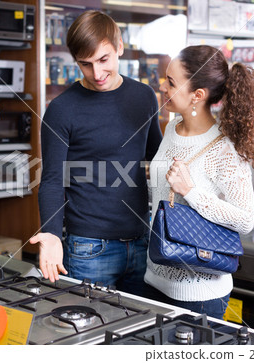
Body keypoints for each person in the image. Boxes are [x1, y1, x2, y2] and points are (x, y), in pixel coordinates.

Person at [30, 10, 162, 296]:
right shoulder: (62, 109)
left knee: (139, 335)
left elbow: (158, 158)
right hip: (89, 250)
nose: (97, 74)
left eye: (104, 60)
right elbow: (52, 179)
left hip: (142, 242)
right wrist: (52, 234)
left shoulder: (143, 96)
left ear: (120, 47)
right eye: (85, 64)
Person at [145, 45, 254, 319]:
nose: (163, 88)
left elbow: (245, 220)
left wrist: (190, 191)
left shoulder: (225, 149)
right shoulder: (171, 127)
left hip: (199, 296)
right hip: (154, 280)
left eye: (171, 83)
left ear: (197, 96)